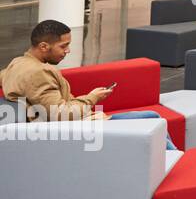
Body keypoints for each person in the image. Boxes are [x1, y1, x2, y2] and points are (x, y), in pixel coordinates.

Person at [1, 21, 177, 149]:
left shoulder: (18, 63)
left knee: (152, 117)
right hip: (72, 129)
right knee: (153, 120)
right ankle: (178, 164)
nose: (68, 51)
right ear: (44, 46)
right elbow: (61, 114)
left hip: (68, 124)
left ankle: (174, 159)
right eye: (63, 46)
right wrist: (93, 98)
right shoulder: (38, 72)